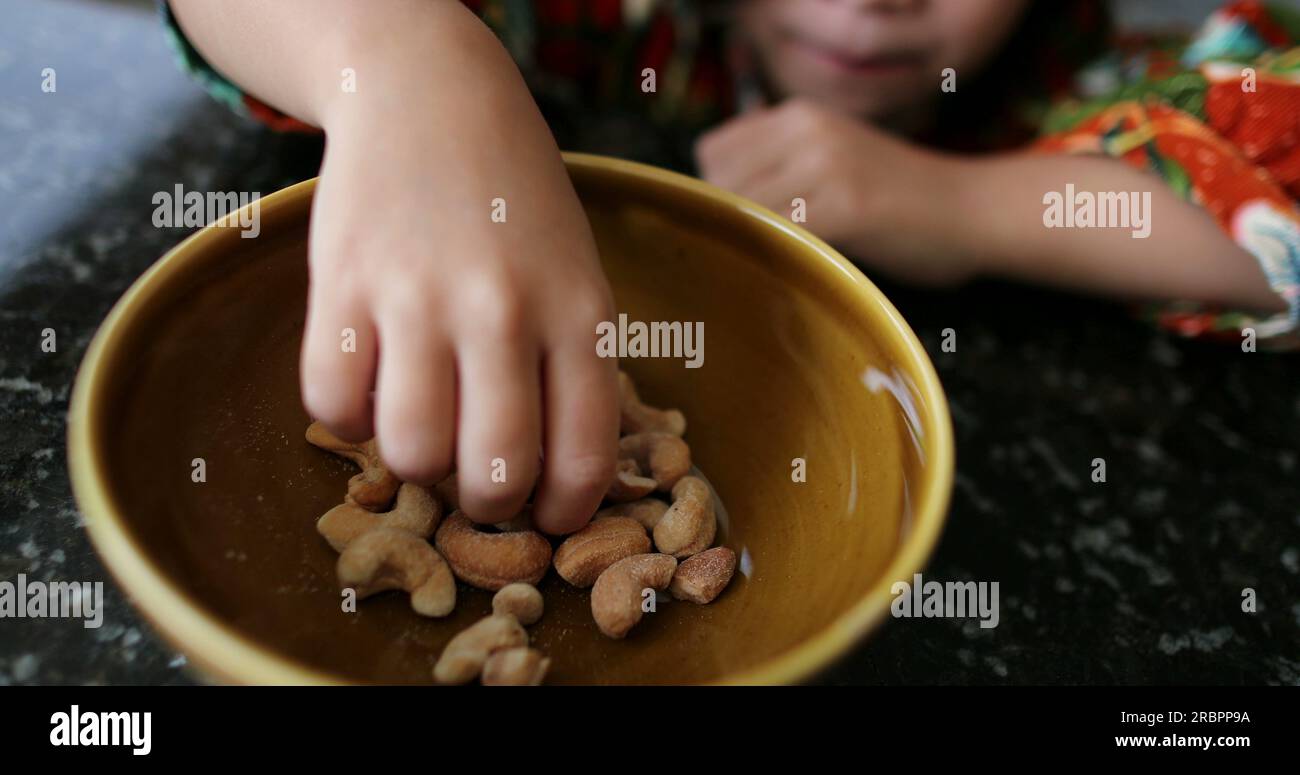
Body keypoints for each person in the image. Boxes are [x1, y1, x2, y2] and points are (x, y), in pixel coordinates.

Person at [161, 0, 1300, 533]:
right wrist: (405, 59)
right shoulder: (624, 20)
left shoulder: (1088, 56)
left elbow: (1269, 160)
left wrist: (949, 204)